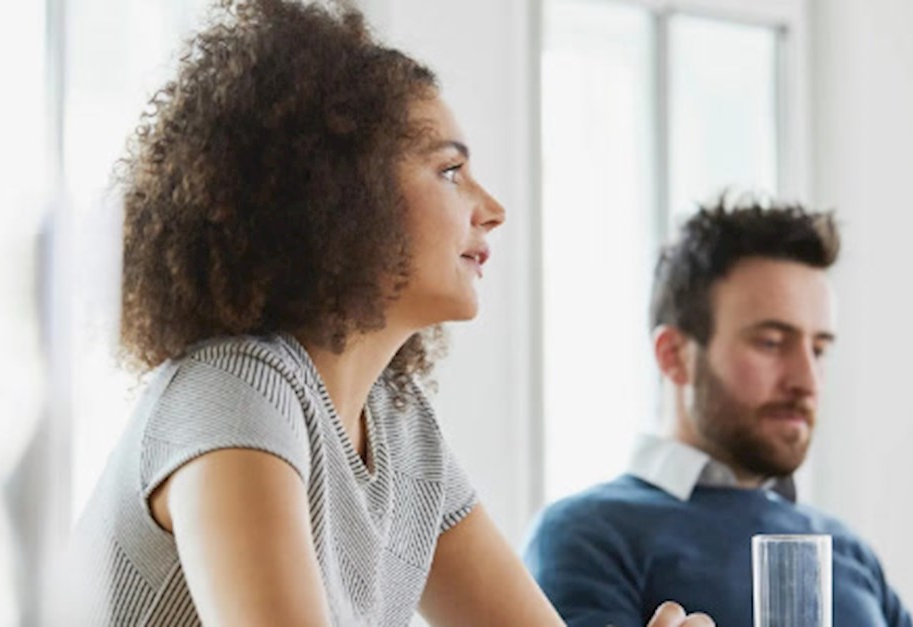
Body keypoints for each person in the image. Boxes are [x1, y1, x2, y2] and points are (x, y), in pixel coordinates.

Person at [60, 1, 712, 625]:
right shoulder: (235, 393)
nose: (491, 208)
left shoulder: (400, 428)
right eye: (450, 170)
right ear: (338, 192)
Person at [523, 199, 913, 626]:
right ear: (674, 355)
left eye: (818, 349)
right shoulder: (587, 535)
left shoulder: (847, 550)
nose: (807, 379)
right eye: (770, 342)